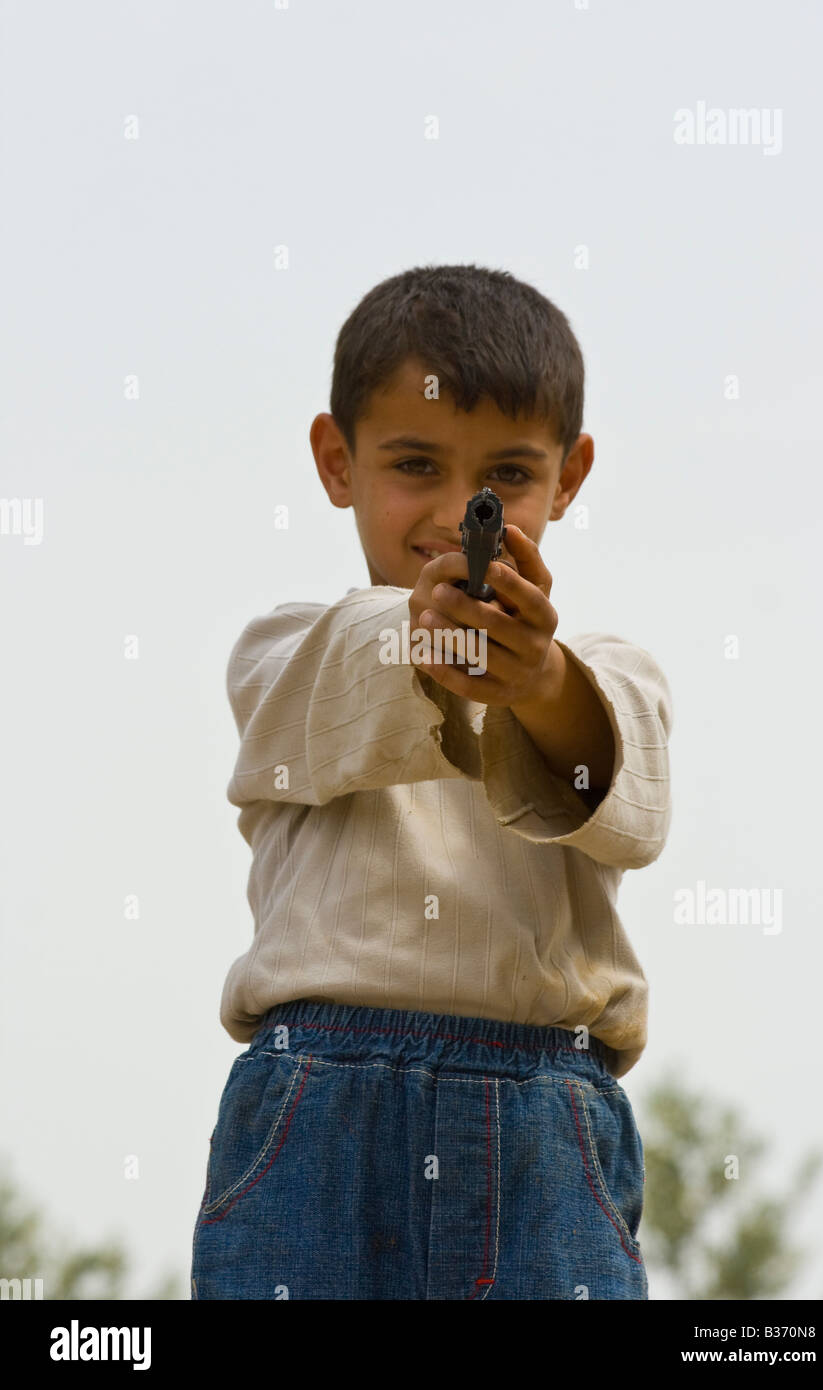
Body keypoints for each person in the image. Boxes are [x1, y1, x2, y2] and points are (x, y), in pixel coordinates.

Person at [190, 264, 673, 1300]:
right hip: (312, 1115)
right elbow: (351, 669)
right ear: (336, 459)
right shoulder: (283, 652)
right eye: (415, 463)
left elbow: (621, 794)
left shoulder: (606, 672)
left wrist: (538, 681)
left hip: (545, 1126)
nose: (461, 513)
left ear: (569, 475)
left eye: (504, 476)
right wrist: (426, 643)